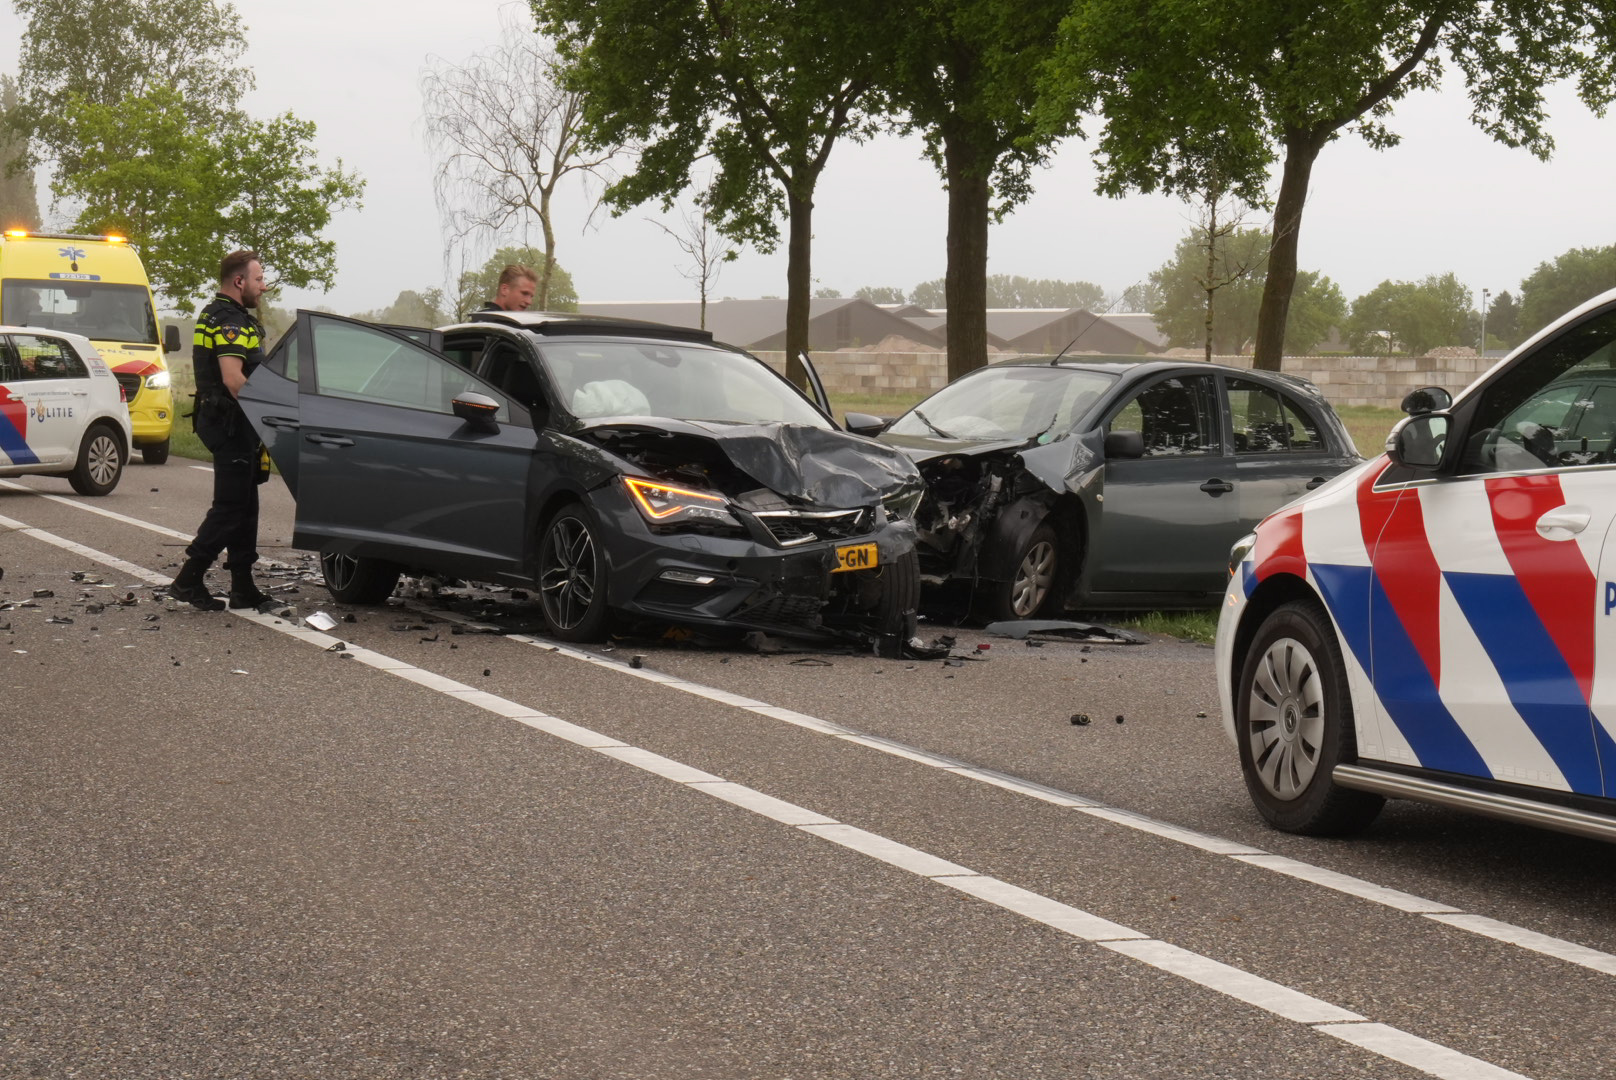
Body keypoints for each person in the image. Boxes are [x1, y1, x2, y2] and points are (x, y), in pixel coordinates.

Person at [167, 250, 273, 612]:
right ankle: (188, 579)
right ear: (239, 281)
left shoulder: (221, 314)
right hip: (230, 422)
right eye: (258, 279)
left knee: (246, 505)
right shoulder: (229, 320)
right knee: (230, 507)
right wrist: (273, 411)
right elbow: (233, 380)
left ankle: (243, 586)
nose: (264, 286)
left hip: (233, 422)